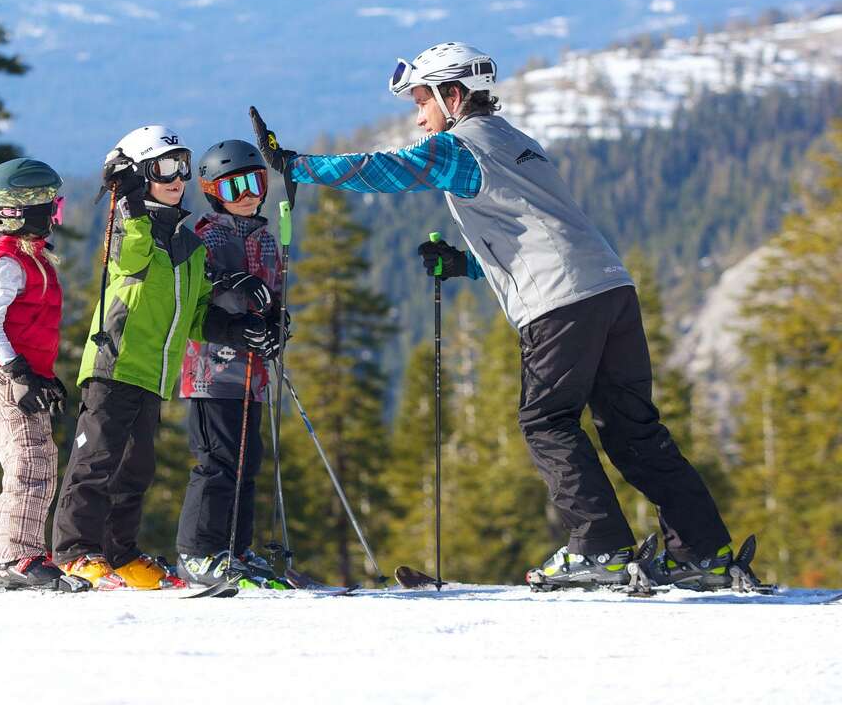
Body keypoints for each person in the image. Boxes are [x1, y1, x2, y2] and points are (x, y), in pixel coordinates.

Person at [249, 42, 738, 590]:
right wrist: (467, 264)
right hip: (610, 290)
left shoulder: (461, 145)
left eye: (422, 102)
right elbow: (538, 228)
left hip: (560, 304)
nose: (418, 116)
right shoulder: (516, 141)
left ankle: (599, 548)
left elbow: (387, 170)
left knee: (546, 421)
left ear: (452, 95)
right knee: (634, 431)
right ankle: (703, 552)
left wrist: (298, 166)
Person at [51, 125, 272, 590]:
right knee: (98, 460)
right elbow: (128, 261)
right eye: (164, 169)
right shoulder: (131, 232)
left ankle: (120, 552)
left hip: (155, 372)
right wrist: (129, 201)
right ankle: (75, 551)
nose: (178, 178)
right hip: (116, 364)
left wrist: (238, 330)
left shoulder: (187, 245)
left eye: (183, 167)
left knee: (136, 467)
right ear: (139, 175)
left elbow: (194, 317)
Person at [174, 139, 287, 589]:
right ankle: (197, 553)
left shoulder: (264, 237)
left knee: (247, 461)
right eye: (234, 185)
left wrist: (276, 325)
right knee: (218, 460)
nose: (247, 194)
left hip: (252, 374)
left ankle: (236, 550)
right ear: (212, 191)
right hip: (211, 370)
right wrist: (231, 300)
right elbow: (196, 299)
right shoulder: (207, 234)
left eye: (255, 182)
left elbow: (273, 295)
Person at [0, 157, 72, 589]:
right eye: (53, 207)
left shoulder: (31, 257)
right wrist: (19, 371)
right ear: (25, 211)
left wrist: (42, 376)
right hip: (4, 375)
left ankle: (22, 551)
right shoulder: (8, 262)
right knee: (27, 462)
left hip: (24, 374)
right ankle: (12, 557)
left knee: (41, 461)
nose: (56, 215)